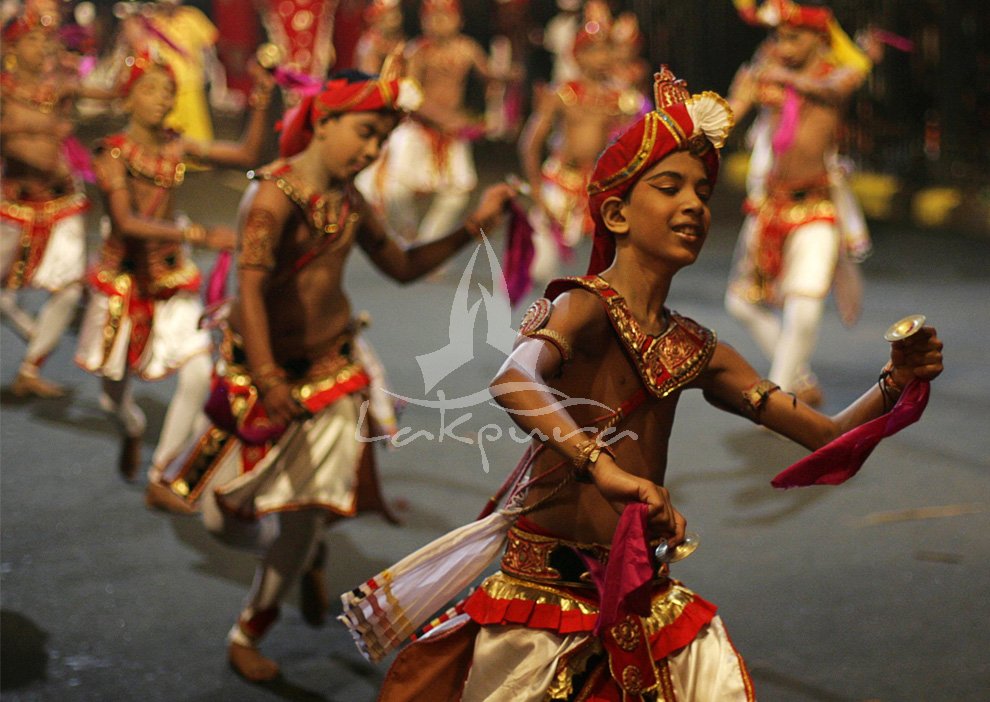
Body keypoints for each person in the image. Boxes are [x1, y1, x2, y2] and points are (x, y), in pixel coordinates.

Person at [340, 66, 944, 701]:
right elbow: (512, 379)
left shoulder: (696, 347)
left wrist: (892, 382)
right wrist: (603, 468)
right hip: (542, 602)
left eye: (703, 193)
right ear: (617, 214)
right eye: (670, 187)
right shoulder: (584, 305)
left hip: (634, 590)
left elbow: (824, 434)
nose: (693, 205)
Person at [152, 65, 516, 682]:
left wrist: (475, 225)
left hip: (332, 378)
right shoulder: (269, 197)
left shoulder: (350, 202)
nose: (373, 151)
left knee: (301, 516)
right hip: (257, 381)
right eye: (366, 133)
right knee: (220, 516)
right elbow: (251, 293)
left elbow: (400, 266)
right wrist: (268, 381)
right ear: (323, 120)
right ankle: (299, 556)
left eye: (382, 140)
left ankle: (252, 625)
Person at [73, 52, 275, 488]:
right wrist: (200, 234)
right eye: (150, 89)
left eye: (169, 91)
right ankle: (131, 427)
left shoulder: (176, 145)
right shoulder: (111, 153)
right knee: (113, 393)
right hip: (123, 283)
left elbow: (247, 154)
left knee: (200, 370)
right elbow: (126, 222)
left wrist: (261, 95)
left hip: (171, 278)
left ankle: (162, 468)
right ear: (127, 98)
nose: (162, 99)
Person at [724, 0, 874, 405]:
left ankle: (774, 399)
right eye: (779, 37)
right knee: (739, 303)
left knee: (804, 308)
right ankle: (799, 376)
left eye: (795, 37)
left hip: (817, 208)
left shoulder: (835, 75)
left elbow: (839, 86)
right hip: (770, 206)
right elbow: (732, 114)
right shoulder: (768, 75)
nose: (784, 45)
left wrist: (784, 79)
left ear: (819, 38)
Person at [1, 11, 107, 397]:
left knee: (69, 289)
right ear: (11, 48)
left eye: (45, 40)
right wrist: (34, 128)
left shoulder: (58, 87)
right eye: (32, 40)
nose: (42, 46)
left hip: (62, 200)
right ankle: (24, 325)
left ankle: (30, 368)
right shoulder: (3, 90)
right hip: (14, 203)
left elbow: (107, 96)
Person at [356, 0, 505, 245]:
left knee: (459, 189)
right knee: (396, 186)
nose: (439, 22)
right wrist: (444, 118)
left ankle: (429, 240)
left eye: (445, 16)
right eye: (432, 16)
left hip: (452, 132)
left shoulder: (467, 48)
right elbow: (411, 93)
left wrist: (498, 95)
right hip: (419, 129)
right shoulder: (418, 51)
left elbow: (491, 78)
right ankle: (407, 230)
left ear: (459, 20)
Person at [517, 0, 640, 284]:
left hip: (593, 188)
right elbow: (530, 144)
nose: (602, 57)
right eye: (593, 49)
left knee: (593, 273)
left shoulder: (620, 101)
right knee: (540, 270)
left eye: (606, 49)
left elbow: (630, 149)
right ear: (577, 55)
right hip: (559, 184)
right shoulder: (562, 95)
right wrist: (537, 194)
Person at [354, 0, 405, 75]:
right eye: (389, 13)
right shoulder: (369, 42)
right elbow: (369, 76)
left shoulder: (398, 42)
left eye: (396, 11)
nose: (395, 17)